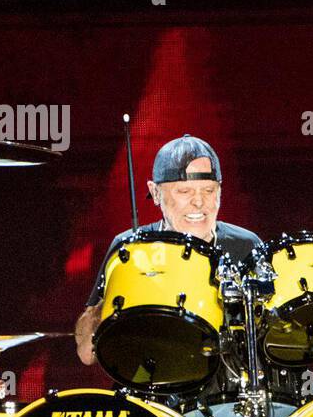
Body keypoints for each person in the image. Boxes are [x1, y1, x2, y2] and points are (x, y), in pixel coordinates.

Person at [74, 134, 262, 376]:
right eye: (184, 191)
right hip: (153, 386)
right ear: (155, 192)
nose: (198, 202)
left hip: (228, 390)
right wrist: (112, 299)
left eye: (208, 190)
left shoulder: (245, 245)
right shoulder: (128, 247)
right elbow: (86, 353)